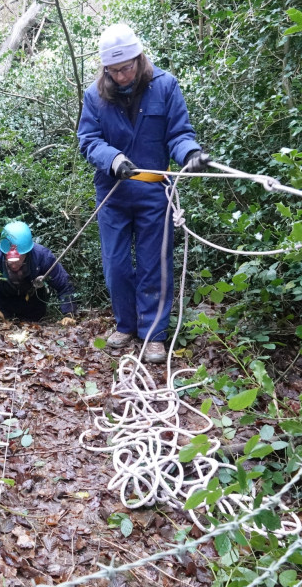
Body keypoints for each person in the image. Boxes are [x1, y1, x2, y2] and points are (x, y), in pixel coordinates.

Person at [77, 23, 210, 363]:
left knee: (155, 265)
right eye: (114, 70)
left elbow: (178, 134)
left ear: (139, 57)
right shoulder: (95, 96)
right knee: (116, 265)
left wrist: (190, 154)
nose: (122, 76)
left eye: (127, 67)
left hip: (155, 191)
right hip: (114, 192)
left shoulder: (165, 86)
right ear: (105, 68)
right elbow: (88, 140)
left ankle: (154, 335)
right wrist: (113, 159)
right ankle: (126, 324)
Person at [0, 221, 76, 323]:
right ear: (3, 252)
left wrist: (69, 313)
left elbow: (64, 284)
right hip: (0, 308)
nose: (13, 264)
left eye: (19, 258)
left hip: (33, 309)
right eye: (10, 260)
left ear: (27, 252)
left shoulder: (42, 256)